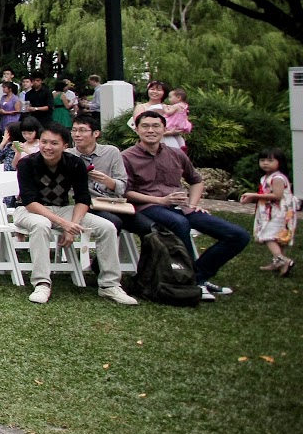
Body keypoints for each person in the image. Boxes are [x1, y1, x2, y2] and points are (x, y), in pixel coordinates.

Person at [124, 109, 251, 300]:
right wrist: (160, 200)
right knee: (179, 223)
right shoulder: (127, 156)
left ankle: (198, 276)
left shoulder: (176, 154)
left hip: (182, 207)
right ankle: (191, 282)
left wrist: (192, 203)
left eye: (156, 126)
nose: (151, 130)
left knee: (238, 235)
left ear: (164, 129)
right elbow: (125, 192)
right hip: (149, 207)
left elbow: (196, 180)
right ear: (137, 130)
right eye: (145, 126)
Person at [14, 124, 136, 306]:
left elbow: (82, 199)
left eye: (54, 143)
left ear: (65, 146)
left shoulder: (75, 163)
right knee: (41, 225)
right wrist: (64, 224)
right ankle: (41, 283)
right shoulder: (27, 163)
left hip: (63, 209)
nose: (48, 147)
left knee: (107, 227)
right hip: (30, 210)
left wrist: (72, 226)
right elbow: (30, 201)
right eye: (44, 142)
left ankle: (109, 285)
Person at [67, 114, 143, 235]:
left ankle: (147, 254)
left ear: (96, 133)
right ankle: (106, 254)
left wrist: (109, 182)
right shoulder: (67, 156)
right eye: (74, 130)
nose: (77, 135)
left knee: (147, 226)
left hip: (112, 203)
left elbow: (122, 186)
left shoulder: (111, 152)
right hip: (87, 205)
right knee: (114, 223)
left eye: (82, 130)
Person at [242, 148, 295, 276]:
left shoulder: (277, 178)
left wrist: (254, 195)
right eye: (262, 160)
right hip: (271, 211)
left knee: (268, 236)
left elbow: (277, 195)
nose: (265, 163)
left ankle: (283, 260)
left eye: (270, 160)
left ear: (279, 162)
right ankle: (278, 262)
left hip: (278, 212)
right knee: (278, 237)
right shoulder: (266, 177)